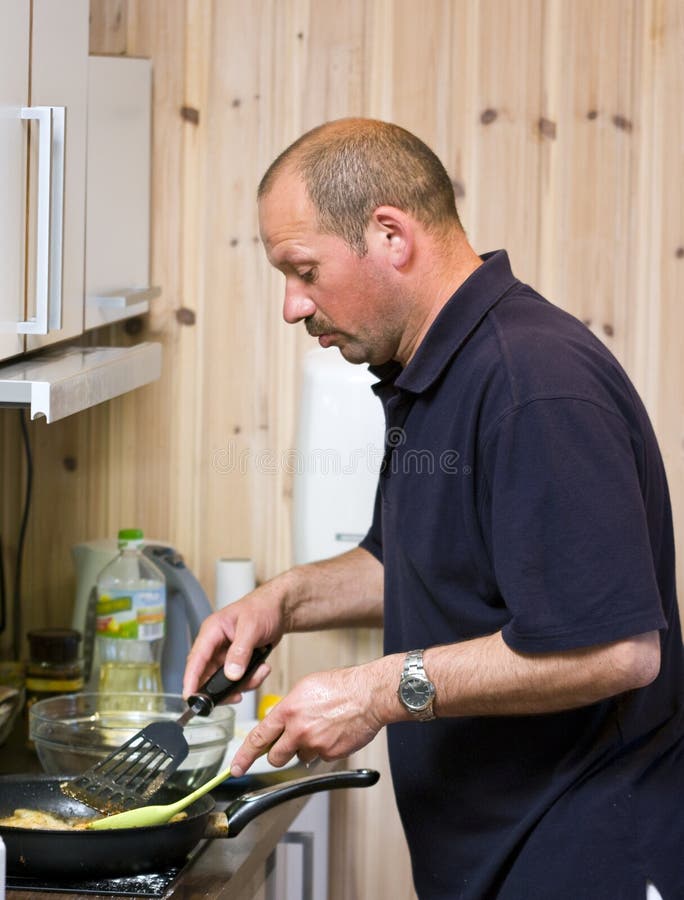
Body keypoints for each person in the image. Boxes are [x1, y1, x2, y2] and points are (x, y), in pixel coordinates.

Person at [183, 119, 684, 899]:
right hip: (500, 851)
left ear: (390, 234)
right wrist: (280, 601)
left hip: (583, 853)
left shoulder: (531, 384)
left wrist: (375, 691)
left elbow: (617, 650)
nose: (292, 305)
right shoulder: (433, 368)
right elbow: (413, 562)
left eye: (304, 269)